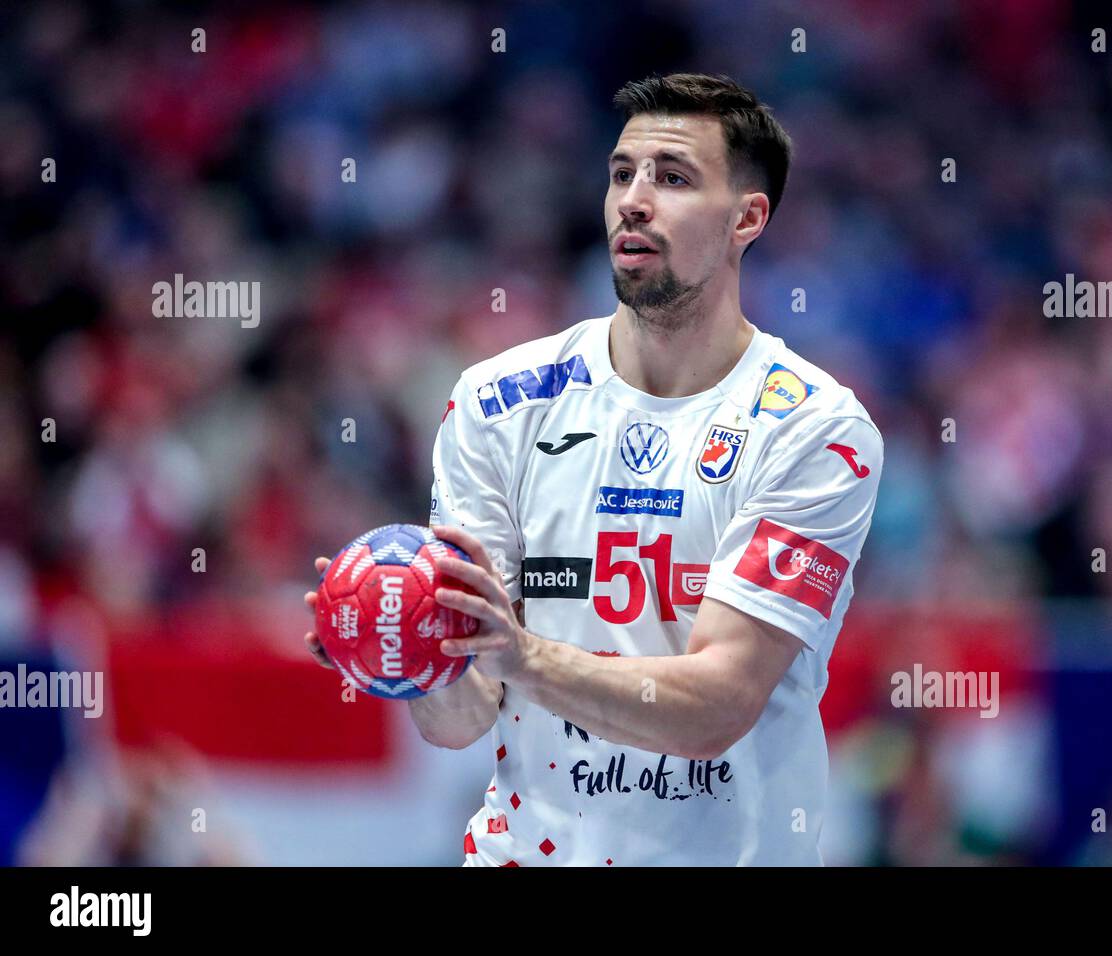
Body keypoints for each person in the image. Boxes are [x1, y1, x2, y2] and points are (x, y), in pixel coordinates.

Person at [304, 73, 884, 865]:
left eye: (673, 178)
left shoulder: (814, 428)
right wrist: (408, 651)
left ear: (747, 219)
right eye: (622, 174)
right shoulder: (498, 402)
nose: (633, 201)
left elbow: (717, 705)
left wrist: (522, 655)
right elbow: (463, 720)